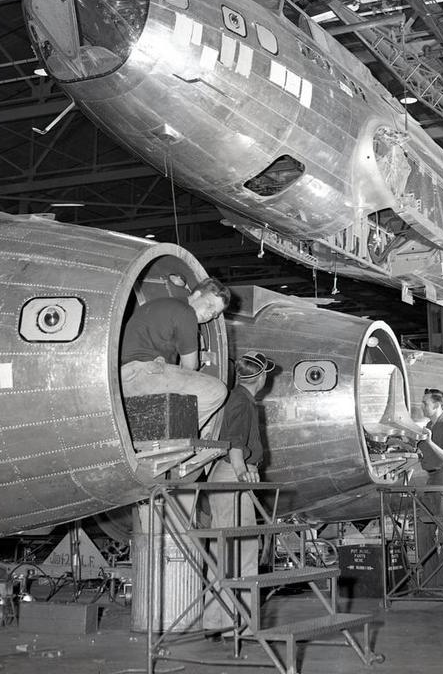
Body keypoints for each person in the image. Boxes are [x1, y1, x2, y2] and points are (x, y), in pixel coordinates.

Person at [202, 351, 276, 634]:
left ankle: (216, 622)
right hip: (234, 477)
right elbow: (234, 443)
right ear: (260, 377)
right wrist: (243, 472)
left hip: (224, 477)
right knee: (244, 551)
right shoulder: (243, 402)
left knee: (223, 553)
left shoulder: (233, 397)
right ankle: (244, 626)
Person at [120, 259, 229, 431]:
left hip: (126, 377)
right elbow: (190, 366)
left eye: (214, 313)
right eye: (209, 305)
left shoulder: (164, 305)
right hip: (143, 374)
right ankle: (174, 438)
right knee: (217, 391)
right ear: (196, 295)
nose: (209, 314)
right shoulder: (186, 313)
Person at [414, 388, 443, 589]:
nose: (422, 406)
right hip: (432, 479)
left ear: (438, 405)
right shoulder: (427, 427)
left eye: (425, 403)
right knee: (423, 527)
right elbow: (422, 454)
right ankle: (431, 582)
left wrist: (430, 442)